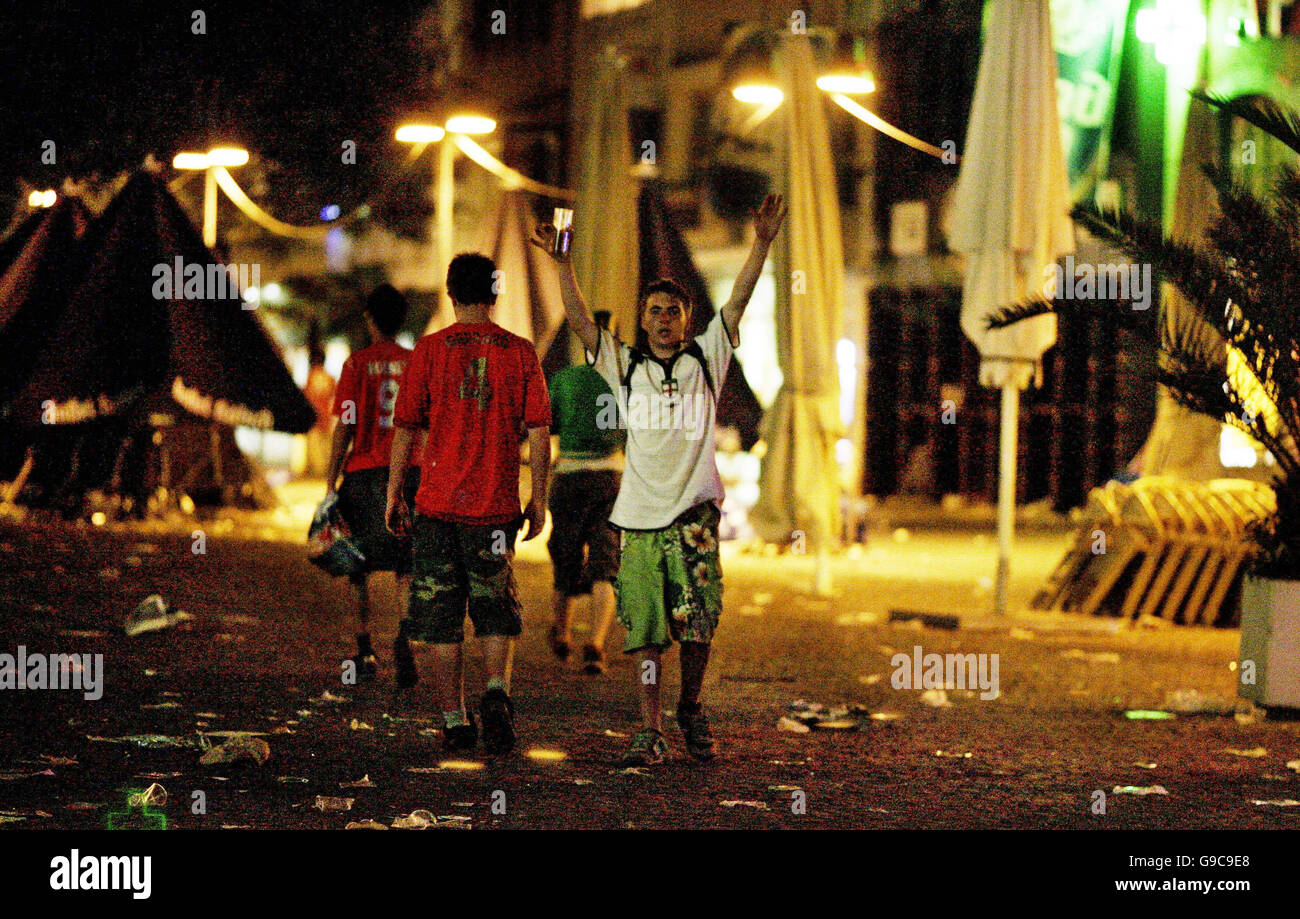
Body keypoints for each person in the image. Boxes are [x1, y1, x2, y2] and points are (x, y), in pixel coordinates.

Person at [533, 193, 786, 766]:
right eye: (654, 311)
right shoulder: (623, 367)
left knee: (697, 625)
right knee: (646, 632)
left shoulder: (707, 358)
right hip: (639, 520)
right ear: (642, 319)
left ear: (687, 320)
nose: (663, 318)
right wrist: (562, 266)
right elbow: (579, 322)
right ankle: (650, 727)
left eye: (672, 310)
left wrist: (762, 244)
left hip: (695, 515)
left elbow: (740, 300)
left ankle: (690, 707)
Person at [386, 253, 551, 756]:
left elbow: (406, 428)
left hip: (436, 509)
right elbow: (540, 432)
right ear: (494, 293)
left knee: (441, 618)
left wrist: (394, 493)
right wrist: (538, 499)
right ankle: (497, 694)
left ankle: (456, 721)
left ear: (451, 293)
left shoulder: (429, 350)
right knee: (496, 610)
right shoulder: (520, 353)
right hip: (496, 510)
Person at [323, 284, 419, 682]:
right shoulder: (416, 364)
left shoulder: (355, 365)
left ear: (369, 319)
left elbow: (344, 424)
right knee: (406, 565)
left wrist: (330, 481)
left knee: (356, 564)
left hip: (362, 475)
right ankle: (405, 637)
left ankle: (364, 650)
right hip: (409, 474)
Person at [545, 310, 624, 675]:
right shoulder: (624, 380)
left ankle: (561, 632)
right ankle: (595, 644)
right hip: (610, 476)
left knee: (566, 555)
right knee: (606, 564)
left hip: (570, 475)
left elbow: (550, 426)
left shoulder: (564, 380)